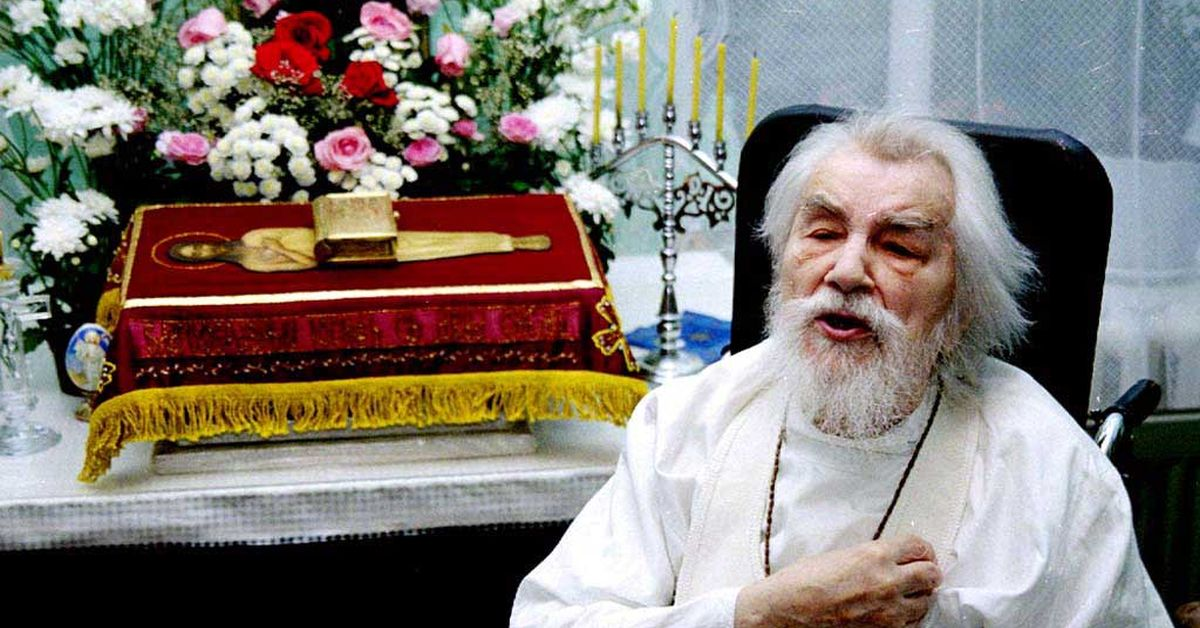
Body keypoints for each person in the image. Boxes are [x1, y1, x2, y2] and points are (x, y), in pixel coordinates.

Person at [510, 113, 1171, 626]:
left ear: (963, 305)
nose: (847, 271)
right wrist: (754, 616)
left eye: (899, 246)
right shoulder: (686, 423)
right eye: (823, 233)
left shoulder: (1046, 464)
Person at [169, 227, 317, 272]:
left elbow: (303, 231)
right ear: (201, 260)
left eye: (198, 247)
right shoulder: (252, 264)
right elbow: (311, 263)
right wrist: (281, 250)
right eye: (197, 255)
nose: (204, 251)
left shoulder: (251, 236)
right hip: (325, 255)